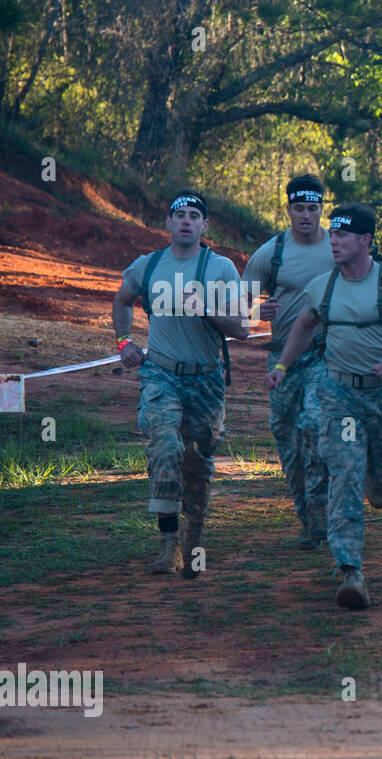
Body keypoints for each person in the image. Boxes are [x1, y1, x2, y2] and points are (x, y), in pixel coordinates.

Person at [266, 203, 382, 609]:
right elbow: (304, 326)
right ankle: (349, 570)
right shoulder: (322, 287)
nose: (335, 241)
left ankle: (381, 487)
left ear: (365, 241)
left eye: (343, 235)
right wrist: (282, 366)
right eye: (333, 234)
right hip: (339, 395)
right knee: (344, 471)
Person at [111, 189, 248, 578]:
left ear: (205, 226)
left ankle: (195, 533)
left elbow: (241, 329)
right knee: (165, 444)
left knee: (197, 463)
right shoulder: (148, 266)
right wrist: (125, 342)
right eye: (179, 214)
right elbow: (122, 300)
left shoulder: (220, 268)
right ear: (168, 223)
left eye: (194, 215)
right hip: (160, 374)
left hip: (205, 379)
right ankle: (168, 542)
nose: (186, 220)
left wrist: (206, 309)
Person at [241, 173, 335, 549]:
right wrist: (256, 309)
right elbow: (237, 305)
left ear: (321, 209)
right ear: (288, 210)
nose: (307, 216)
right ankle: (307, 516)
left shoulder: (338, 247)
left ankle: (322, 512)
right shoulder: (272, 252)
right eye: (299, 209)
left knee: (314, 427)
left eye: (313, 208)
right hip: (282, 358)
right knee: (289, 441)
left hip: (326, 356)